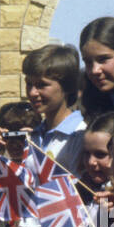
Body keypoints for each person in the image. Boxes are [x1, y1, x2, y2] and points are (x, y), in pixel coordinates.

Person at [24, 43, 86, 174]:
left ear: (67, 86)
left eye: (42, 85)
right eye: (29, 84)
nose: (32, 92)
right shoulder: (34, 136)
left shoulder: (80, 134)